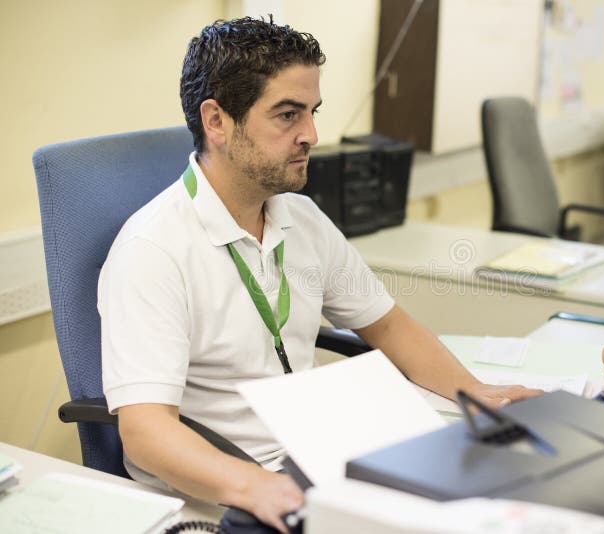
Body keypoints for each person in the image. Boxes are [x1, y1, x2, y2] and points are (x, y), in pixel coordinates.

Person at [99, 16, 540, 532]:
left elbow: (389, 326)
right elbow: (146, 433)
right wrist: (253, 486)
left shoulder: (300, 217)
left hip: (318, 456)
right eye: (287, 115)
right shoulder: (154, 249)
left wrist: (473, 391)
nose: (310, 135)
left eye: (312, 113)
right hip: (227, 495)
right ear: (216, 121)